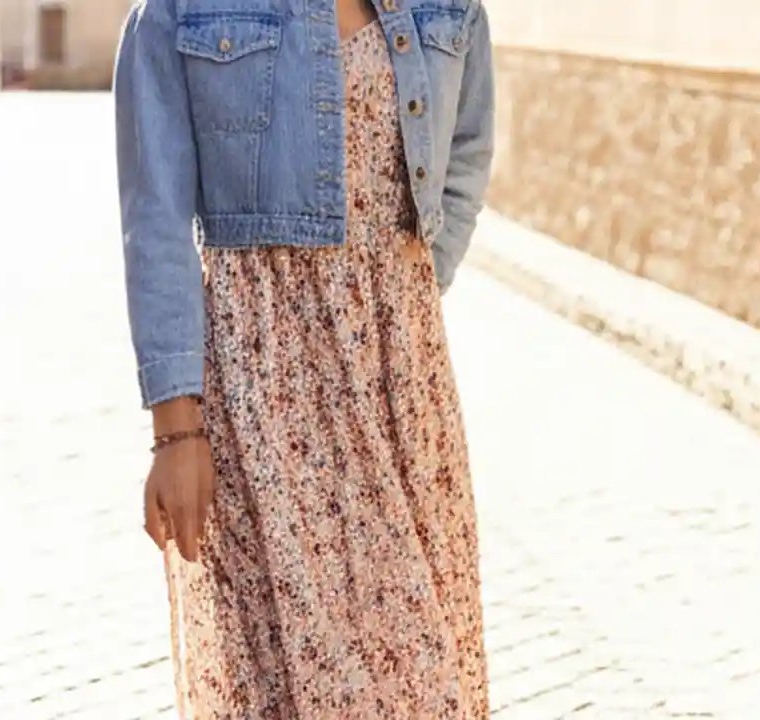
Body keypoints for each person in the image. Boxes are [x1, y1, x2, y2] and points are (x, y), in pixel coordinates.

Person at [114, 0, 494, 715]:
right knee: (283, 689)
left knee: (423, 682)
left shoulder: (449, 6)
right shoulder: (179, 10)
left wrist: (404, 291)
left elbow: (466, 154)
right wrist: (176, 429)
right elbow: (154, 217)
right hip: (262, 398)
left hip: (404, 393)